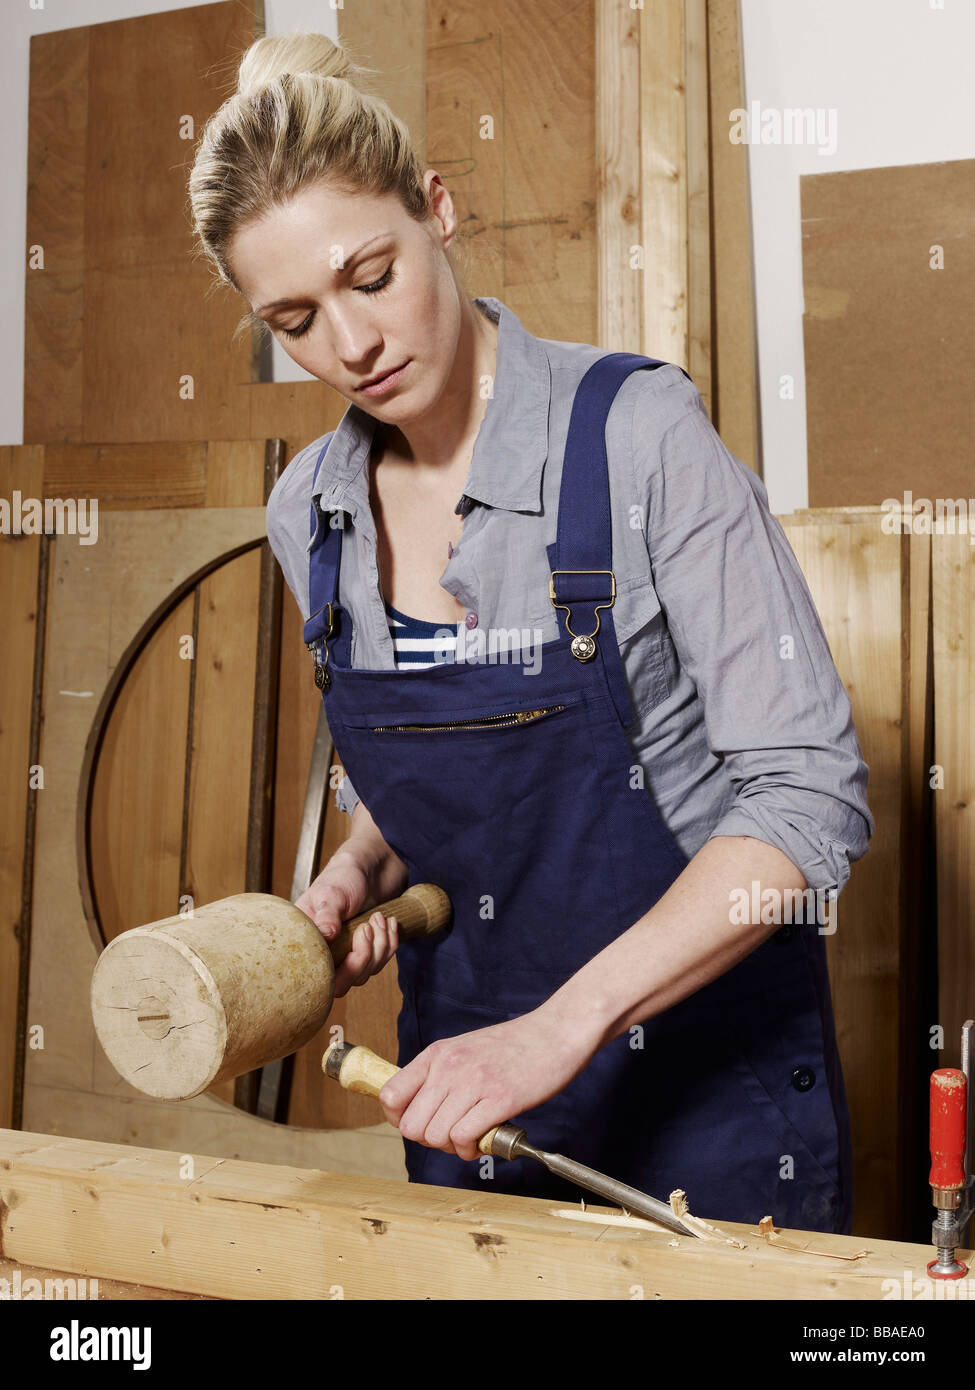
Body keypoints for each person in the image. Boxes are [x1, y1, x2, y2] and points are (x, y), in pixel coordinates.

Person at [189, 32, 874, 1233]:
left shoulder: (638, 440)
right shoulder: (314, 510)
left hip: (709, 1106)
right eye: (294, 318)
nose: (351, 346)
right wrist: (358, 869)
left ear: (438, 208)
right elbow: (448, 777)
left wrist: (561, 1027)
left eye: (371, 274)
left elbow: (809, 800)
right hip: (468, 1094)